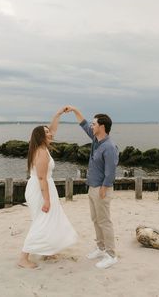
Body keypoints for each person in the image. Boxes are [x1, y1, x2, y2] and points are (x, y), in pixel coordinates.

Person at [18, 107, 78, 269]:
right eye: (47, 132)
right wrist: (46, 200)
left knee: (47, 220)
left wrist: (58, 114)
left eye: (49, 131)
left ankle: (47, 251)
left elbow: (53, 129)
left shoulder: (42, 148)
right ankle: (23, 257)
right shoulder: (41, 152)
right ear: (41, 136)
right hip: (40, 189)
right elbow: (41, 177)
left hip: (42, 187)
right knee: (42, 221)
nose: (50, 133)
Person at [65, 106, 119, 269]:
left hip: (102, 189)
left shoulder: (109, 147)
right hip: (93, 187)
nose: (91, 126)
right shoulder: (96, 140)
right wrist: (74, 110)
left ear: (102, 127)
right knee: (96, 220)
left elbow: (111, 171)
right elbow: (83, 123)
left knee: (104, 221)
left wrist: (104, 188)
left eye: (94, 124)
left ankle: (111, 255)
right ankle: (101, 247)